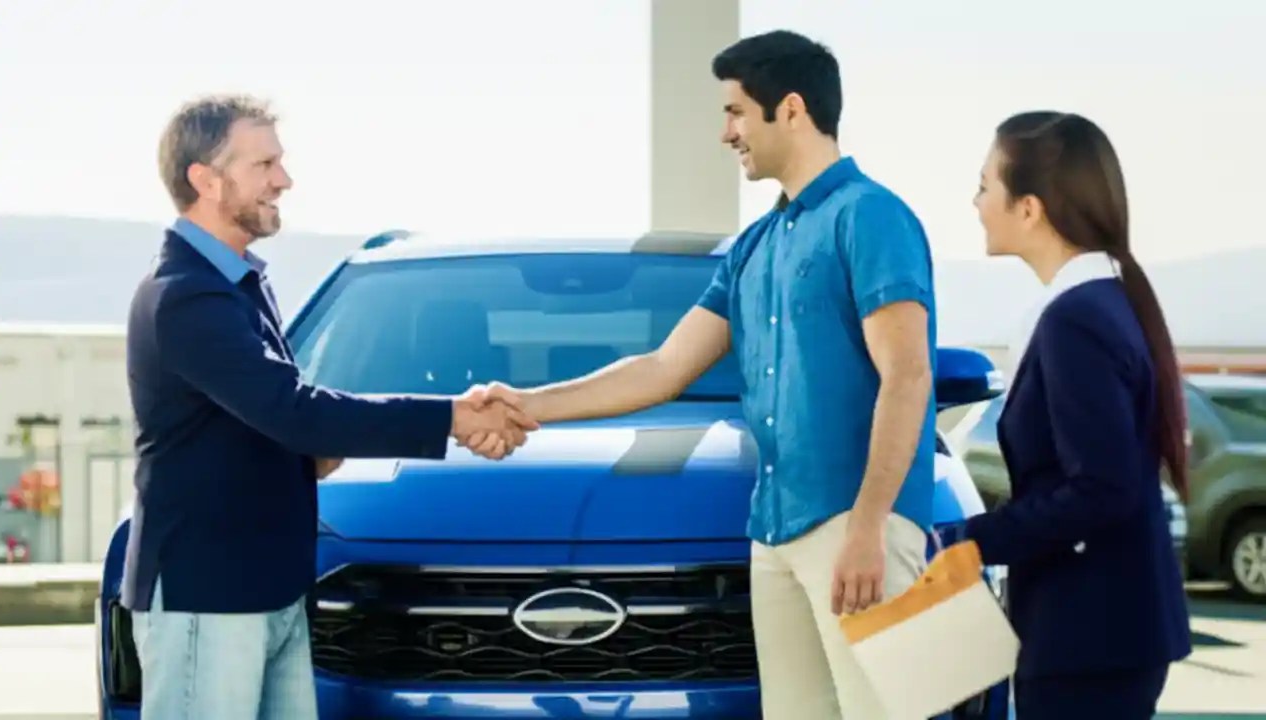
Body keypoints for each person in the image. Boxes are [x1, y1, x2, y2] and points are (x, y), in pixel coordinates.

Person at [465, 30, 938, 719]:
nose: (726, 133)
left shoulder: (871, 217)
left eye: (736, 112)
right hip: (774, 535)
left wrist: (870, 526)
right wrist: (527, 403)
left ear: (791, 109)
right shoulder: (755, 246)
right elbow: (663, 368)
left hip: (861, 529)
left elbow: (909, 375)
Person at [123, 94, 535, 720]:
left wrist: (310, 449)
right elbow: (293, 412)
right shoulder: (187, 296)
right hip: (208, 594)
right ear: (205, 179)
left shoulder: (237, 283)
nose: (283, 180)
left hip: (269, 588)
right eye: (264, 165)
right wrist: (455, 416)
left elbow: (264, 420)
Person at [947, 110, 1192, 718]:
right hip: (1106, 628)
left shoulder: (1075, 319)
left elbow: (1100, 488)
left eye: (984, 185)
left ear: (1029, 208)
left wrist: (968, 542)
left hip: (1088, 635)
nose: (975, 202)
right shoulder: (1103, 299)